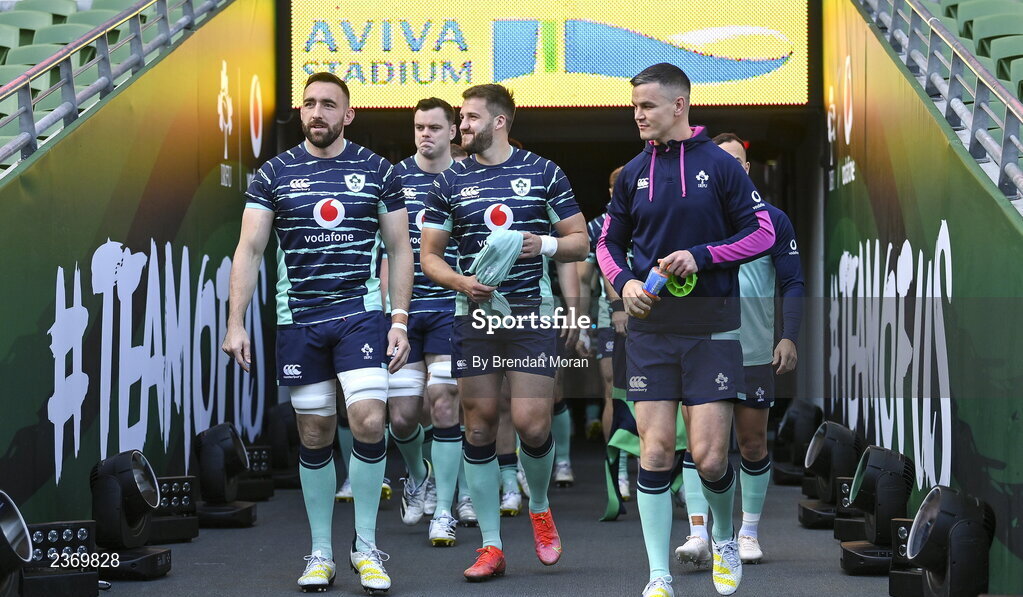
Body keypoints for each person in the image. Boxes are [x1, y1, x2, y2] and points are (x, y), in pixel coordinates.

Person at [222, 72, 413, 594]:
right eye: (309, 104)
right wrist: (235, 321)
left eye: (329, 104)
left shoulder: (378, 170)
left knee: (370, 420)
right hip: (300, 320)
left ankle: (367, 546)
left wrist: (398, 319)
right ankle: (322, 552)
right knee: (314, 434)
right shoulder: (272, 174)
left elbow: (400, 250)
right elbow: (250, 250)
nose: (317, 113)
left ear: (348, 115)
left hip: (360, 315)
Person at [597, 63, 776, 597]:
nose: (638, 115)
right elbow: (608, 243)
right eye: (634, 106)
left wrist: (701, 256)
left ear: (679, 105)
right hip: (652, 331)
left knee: (710, 457)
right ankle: (658, 576)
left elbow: (762, 232)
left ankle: (724, 537)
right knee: (654, 452)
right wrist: (625, 284)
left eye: (647, 105)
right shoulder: (631, 174)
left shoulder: (721, 166)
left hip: (713, 328)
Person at [420, 83, 588, 582]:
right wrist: (460, 281)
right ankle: (491, 546)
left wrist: (545, 246)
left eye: (470, 118)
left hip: (529, 316)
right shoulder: (447, 182)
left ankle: (538, 507)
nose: (461, 126)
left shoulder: (543, 171)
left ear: (499, 121)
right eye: (460, 118)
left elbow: (580, 241)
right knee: (479, 424)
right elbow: (429, 256)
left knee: (533, 423)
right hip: (473, 315)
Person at [675, 133, 803, 566]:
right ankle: (698, 532)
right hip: (703, 348)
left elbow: (792, 282)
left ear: (745, 171)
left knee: (750, 445)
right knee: (699, 448)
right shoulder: (692, 216)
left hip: (752, 350)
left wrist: (788, 336)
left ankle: (747, 532)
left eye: (736, 162)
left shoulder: (772, 220)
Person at [385, 97, 466, 547]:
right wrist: (388, 313)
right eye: (419, 127)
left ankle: (445, 509)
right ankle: (419, 476)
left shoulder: (467, 177)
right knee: (401, 418)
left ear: (452, 131)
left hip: (451, 309)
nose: (425, 134)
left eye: (435, 127)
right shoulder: (393, 177)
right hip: (403, 311)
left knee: (444, 400)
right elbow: (385, 251)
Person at [576, 166, 631, 499]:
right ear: (611, 191)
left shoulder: (656, 216)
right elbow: (583, 280)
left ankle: (671, 471)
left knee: (667, 394)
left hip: (658, 316)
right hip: (611, 318)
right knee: (614, 391)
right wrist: (582, 326)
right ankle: (619, 470)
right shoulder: (597, 226)